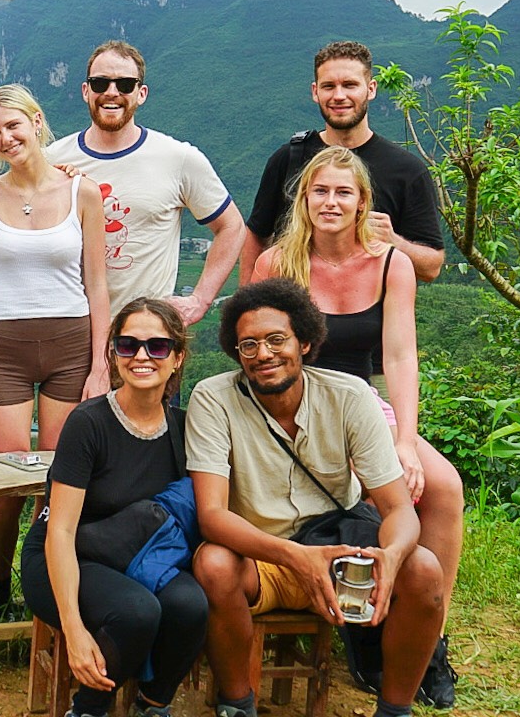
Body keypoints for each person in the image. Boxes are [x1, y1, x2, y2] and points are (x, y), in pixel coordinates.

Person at [251, 145, 461, 706]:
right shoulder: (277, 264)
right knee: (366, 500)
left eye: (344, 192)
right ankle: (371, 628)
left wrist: (406, 441)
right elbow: (256, 354)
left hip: (364, 405)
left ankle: (429, 637)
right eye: (320, 191)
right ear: (303, 199)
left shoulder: (391, 263)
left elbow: (398, 357)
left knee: (442, 487)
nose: (331, 202)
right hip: (297, 408)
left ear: (363, 201)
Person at [186, 280, 445, 717]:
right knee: (213, 563)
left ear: (304, 342)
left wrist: (394, 555)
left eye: (275, 340)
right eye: (248, 345)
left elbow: (397, 506)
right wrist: (292, 557)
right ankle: (237, 704)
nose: (263, 354)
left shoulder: (349, 396)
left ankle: (395, 709)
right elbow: (212, 516)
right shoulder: (215, 399)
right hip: (261, 558)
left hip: (338, 558)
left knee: (423, 569)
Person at [0, 83, 110, 618]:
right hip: (4, 347)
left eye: (12, 126)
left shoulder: (82, 193)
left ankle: (46, 594)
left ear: (37, 121)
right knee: (9, 481)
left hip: (71, 344)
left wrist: (99, 365)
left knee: (58, 484)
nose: (5, 138)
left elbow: (97, 284)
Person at [20, 297, 207, 717]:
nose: (142, 356)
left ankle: (153, 704)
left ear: (177, 358)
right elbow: (60, 532)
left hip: (139, 555)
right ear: (114, 354)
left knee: (191, 606)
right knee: (136, 612)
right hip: (64, 556)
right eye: (128, 345)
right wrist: (73, 628)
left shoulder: (182, 427)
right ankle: (88, 708)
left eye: (157, 347)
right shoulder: (89, 424)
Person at [45, 39, 243, 323]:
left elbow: (232, 226)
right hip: (70, 332)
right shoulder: (53, 158)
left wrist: (200, 300)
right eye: (100, 83)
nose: (111, 93)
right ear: (85, 91)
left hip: (147, 338)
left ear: (141, 93)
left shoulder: (179, 158)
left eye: (125, 84)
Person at [241, 41, 446, 285]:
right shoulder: (288, 159)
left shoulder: (407, 170)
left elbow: (432, 266)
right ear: (315, 92)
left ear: (370, 89)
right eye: (329, 86)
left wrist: (393, 241)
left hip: (370, 317)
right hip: (292, 315)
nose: (339, 96)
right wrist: (247, 309)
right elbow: (256, 235)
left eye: (349, 85)